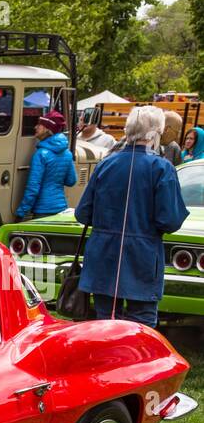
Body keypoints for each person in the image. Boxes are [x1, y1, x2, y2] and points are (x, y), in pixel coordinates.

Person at [74, 105, 188, 327]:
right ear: (156, 132)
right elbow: (170, 220)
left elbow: (83, 213)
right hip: (142, 257)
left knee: (104, 324)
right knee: (141, 327)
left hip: (104, 255)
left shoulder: (105, 164)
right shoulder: (162, 168)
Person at [16, 110, 78, 220]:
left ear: (47, 129)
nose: (35, 127)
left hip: (42, 210)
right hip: (61, 208)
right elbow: (71, 181)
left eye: (39, 125)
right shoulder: (67, 153)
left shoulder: (41, 154)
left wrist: (21, 212)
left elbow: (33, 188)